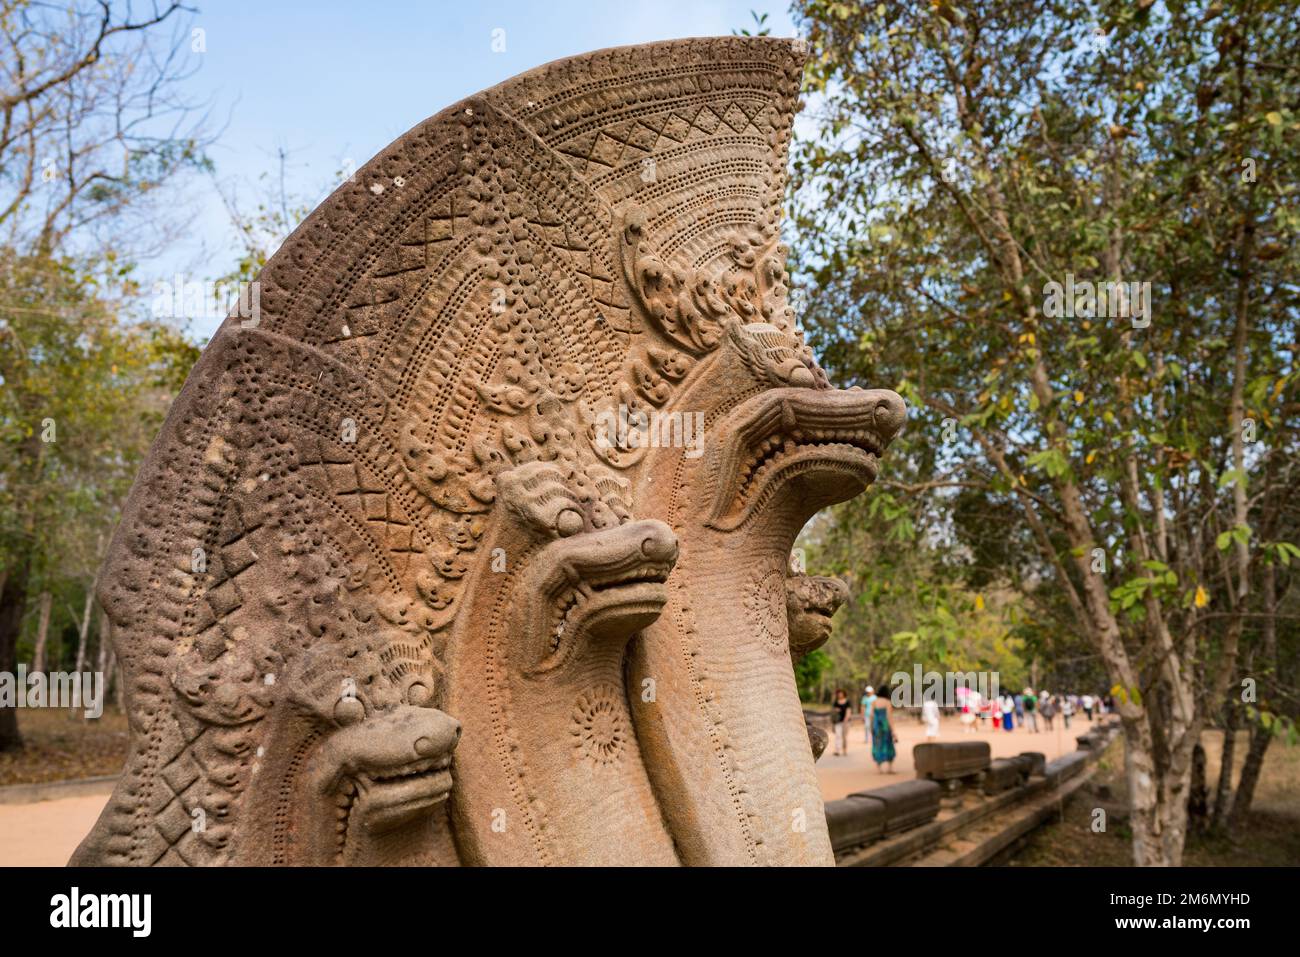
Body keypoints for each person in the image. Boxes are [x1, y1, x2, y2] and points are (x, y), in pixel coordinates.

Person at [871, 690, 896, 772]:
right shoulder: (887, 702)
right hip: (885, 726)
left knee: (878, 744)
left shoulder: (874, 702)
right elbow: (889, 716)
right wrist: (893, 730)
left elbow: (871, 715)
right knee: (888, 744)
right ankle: (890, 768)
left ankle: (879, 768)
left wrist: (871, 727)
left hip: (877, 726)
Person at [831, 689, 851, 756]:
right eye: (839, 694)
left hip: (845, 722)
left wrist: (846, 719)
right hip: (837, 722)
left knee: (844, 737)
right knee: (838, 736)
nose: (840, 695)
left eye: (841, 693)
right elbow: (833, 711)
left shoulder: (847, 702)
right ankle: (837, 750)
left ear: (844, 694)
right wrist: (835, 710)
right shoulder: (836, 702)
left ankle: (845, 750)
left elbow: (848, 711)